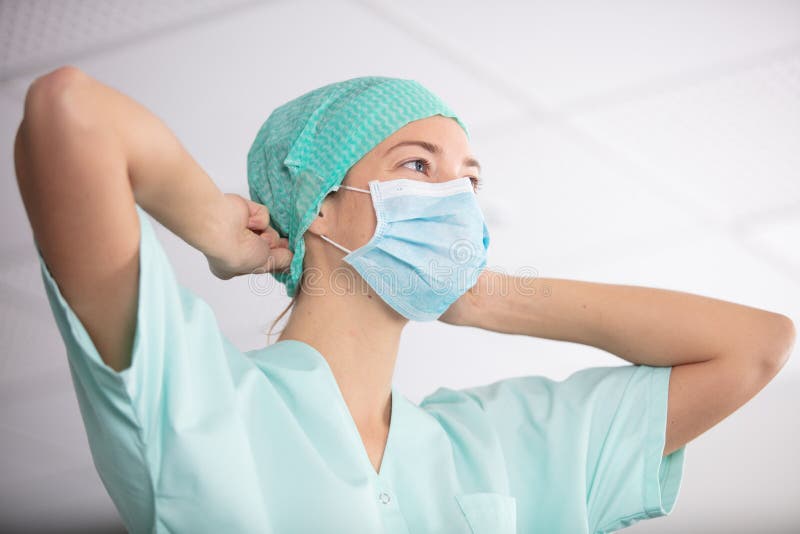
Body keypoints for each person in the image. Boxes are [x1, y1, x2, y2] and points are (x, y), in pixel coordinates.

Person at [15, 67, 794, 534]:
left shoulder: (501, 445)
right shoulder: (198, 400)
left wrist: (484, 299)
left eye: (470, 180)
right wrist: (219, 229)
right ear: (318, 201)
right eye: (420, 166)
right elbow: (68, 112)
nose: (457, 198)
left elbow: (755, 345)